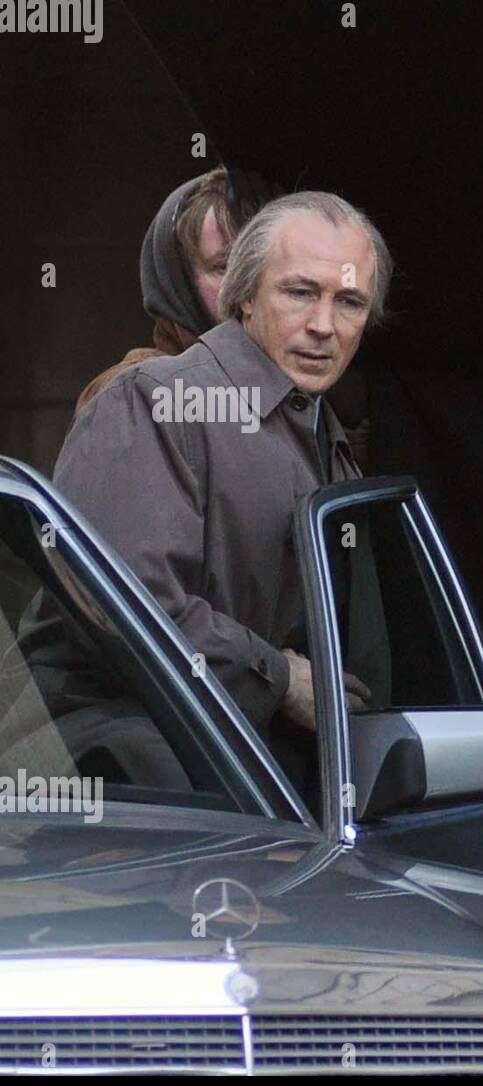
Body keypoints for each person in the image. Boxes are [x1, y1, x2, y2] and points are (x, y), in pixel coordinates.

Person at [24, 192, 391, 758]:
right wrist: (277, 677)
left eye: (349, 302)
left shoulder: (324, 427)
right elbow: (125, 605)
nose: (324, 325)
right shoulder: (153, 399)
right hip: (132, 782)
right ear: (243, 298)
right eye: (298, 293)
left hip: (253, 771)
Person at [76, 167, 240, 414]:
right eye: (224, 267)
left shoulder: (299, 382)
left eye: (256, 264)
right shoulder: (133, 394)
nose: (245, 284)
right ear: (179, 285)